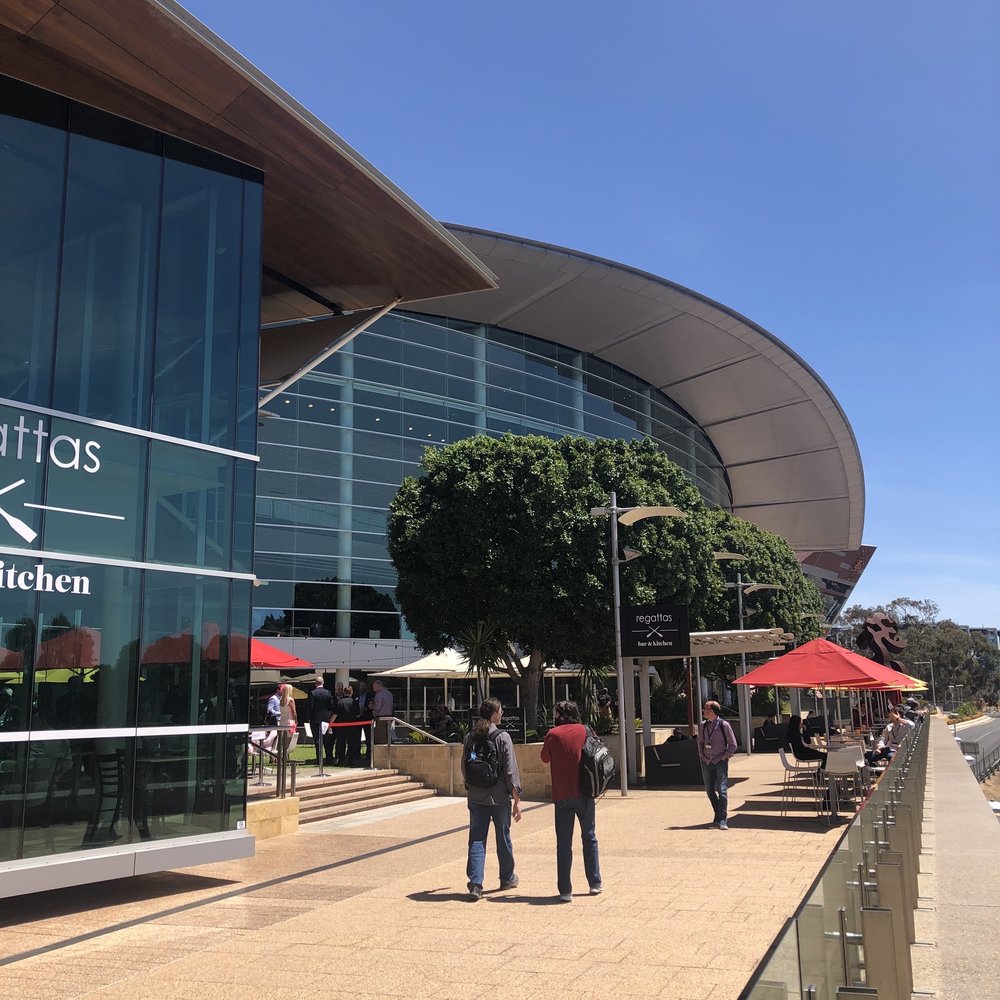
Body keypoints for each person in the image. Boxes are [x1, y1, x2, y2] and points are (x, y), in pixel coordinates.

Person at [540, 700, 602, 902]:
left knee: (563, 843)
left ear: (561, 714)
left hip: (562, 794)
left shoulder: (553, 734)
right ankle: (594, 883)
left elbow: (544, 758)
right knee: (589, 837)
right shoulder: (586, 730)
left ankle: (565, 890)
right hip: (584, 791)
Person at [462, 697, 521, 901]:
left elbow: (464, 766)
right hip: (498, 798)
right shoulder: (502, 737)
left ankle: (476, 884)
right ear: (494, 713)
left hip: (476, 797)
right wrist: (516, 798)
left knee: (477, 839)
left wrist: (470, 786)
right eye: (501, 711)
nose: (502, 714)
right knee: (503, 838)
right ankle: (507, 877)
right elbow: (510, 770)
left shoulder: (471, 736)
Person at [697, 700, 737, 830]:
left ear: (712, 711)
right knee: (709, 790)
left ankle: (723, 819)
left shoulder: (724, 725)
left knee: (722, 789)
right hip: (707, 761)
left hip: (720, 761)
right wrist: (702, 755)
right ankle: (718, 813)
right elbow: (700, 742)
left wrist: (724, 757)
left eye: (705, 708)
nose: (703, 711)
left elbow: (733, 745)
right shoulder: (703, 726)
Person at [305, 676, 335, 775]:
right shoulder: (328, 693)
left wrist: (309, 717)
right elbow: (331, 706)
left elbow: (311, 707)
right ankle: (329, 757)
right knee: (326, 739)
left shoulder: (312, 693)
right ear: (323, 683)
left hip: (315, 719)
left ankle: (319, 759)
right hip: (325, 718)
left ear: (315, 683)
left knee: (317, 740)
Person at [334, 683, 358, 765]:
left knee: (341, 743)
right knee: (351, 743)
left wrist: (330, 723)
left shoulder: (340, 702)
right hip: (352, 726)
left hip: (341, 726)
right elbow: (358, 714)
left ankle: (341, 759)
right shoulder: (354, 702)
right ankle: (351, 759)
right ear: (351, 693)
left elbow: (335, 714)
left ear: (344, 693)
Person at [372, 679, 394, 745]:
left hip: (381, 718)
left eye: (374, 687)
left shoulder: (379, 694)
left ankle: (382, 753)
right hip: (389, 717)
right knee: (388, 736)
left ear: (378, 686)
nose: (373, 689)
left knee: (381, 737)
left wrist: (373, 713)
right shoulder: (390, 694)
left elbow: (377, 707)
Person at [279, 683, 297, 754]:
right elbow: (294, 712)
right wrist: (296, 721)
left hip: (282, 721)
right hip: (289, 721)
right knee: (289, 740)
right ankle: (286, 755)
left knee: (282, 740)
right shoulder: (290, 700)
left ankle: (281, 754)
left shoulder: (281, 700)